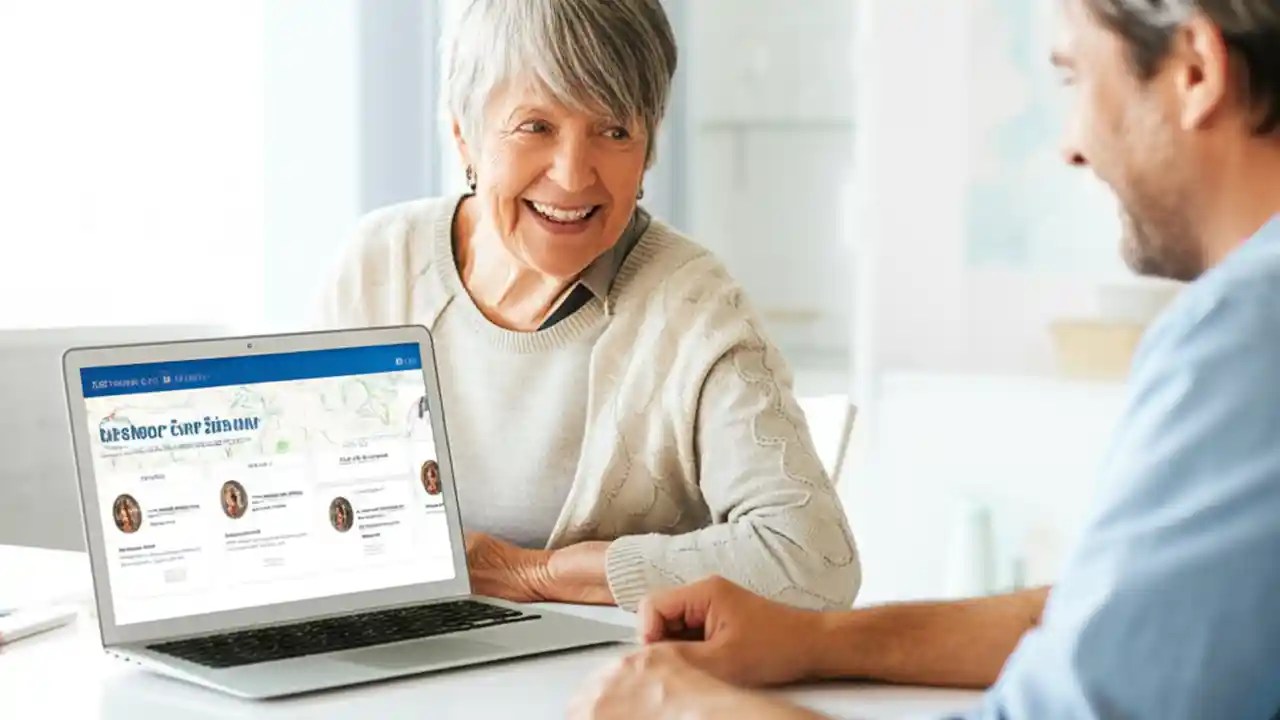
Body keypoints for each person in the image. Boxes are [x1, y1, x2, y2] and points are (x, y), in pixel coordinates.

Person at [571, 0, 1280, 717]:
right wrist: (816, 641)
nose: (1072, 144)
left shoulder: (1247, 335)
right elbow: (1120, 617)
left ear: (1195, 72)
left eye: (1073, 77)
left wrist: (680, 707)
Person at [316, 0, 858, 611]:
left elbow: (815, 561)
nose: (573, 176)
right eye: (535, 126)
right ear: (463, 133)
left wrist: (536, 574)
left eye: (614, 130)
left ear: (648, 150)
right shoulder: (380, 265)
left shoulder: (694, 307)